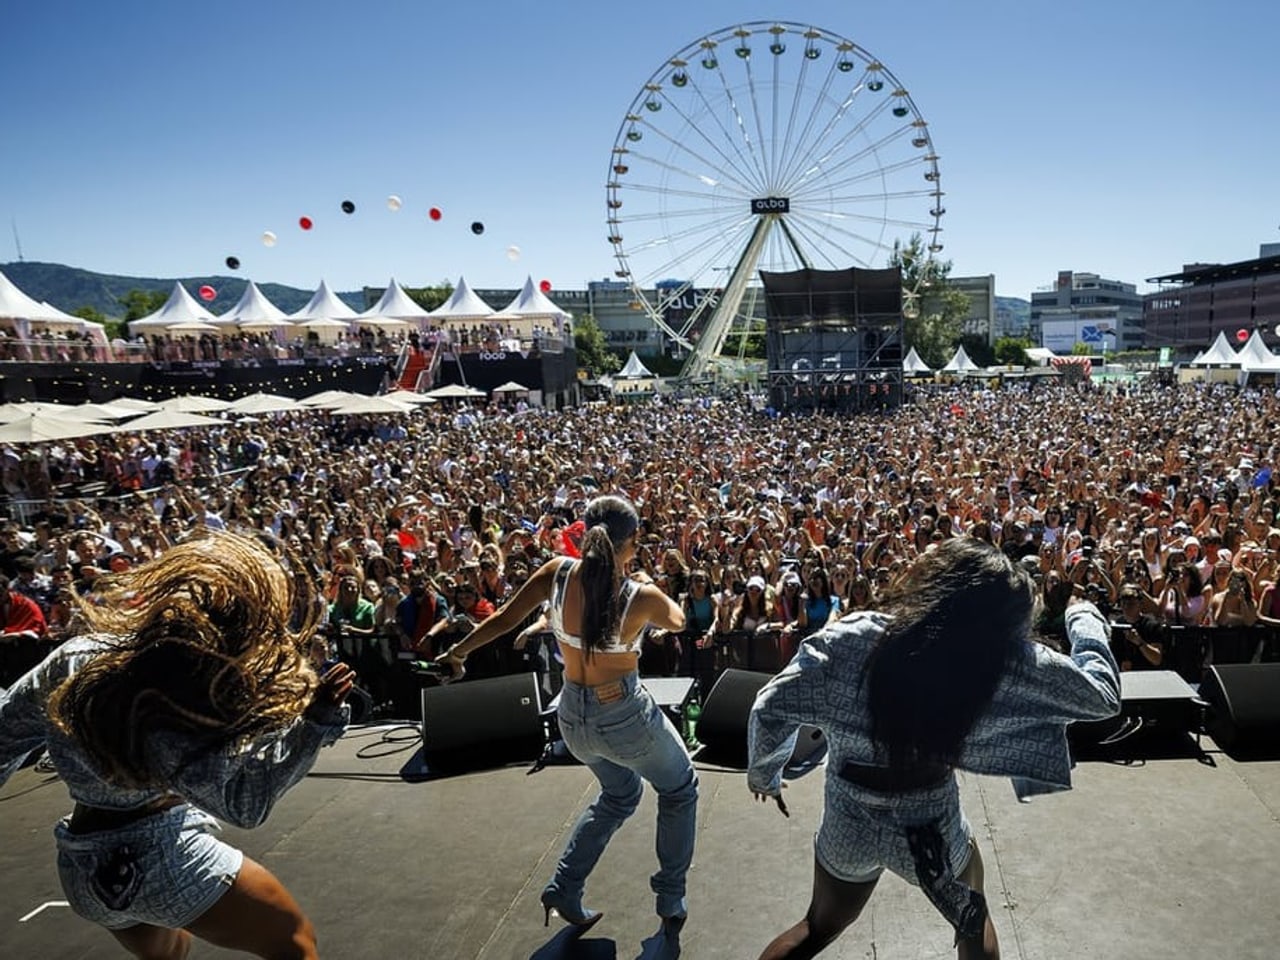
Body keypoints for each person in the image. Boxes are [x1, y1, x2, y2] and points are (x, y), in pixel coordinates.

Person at [747, 537, 1121, 959]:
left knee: (817, 927)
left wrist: (766, 772)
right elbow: (1102, 696)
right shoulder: (1003, 662)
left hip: (848, 820)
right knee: (972, 925)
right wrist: (1085, 616)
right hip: (929, 828)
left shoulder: (849, 639)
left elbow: (771, 706)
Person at [0, 532, 354, 960]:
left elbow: (4, 736)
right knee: (292, 941)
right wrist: (315, 724)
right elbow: (245, 804)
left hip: (82, 869)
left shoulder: (76, 656)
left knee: (168, 951)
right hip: (160, 859)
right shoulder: (182, 707)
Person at [436, 495, 695, 947]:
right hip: (624, 715)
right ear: (630, 542)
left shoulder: (555, 573)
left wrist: (457, 653)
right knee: (678, 788)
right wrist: (650, 581)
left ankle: (565, 887)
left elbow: (502, 618)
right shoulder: (640, 594)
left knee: (619, 795)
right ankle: (670, 899)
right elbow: (678, 621)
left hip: (571, 715)